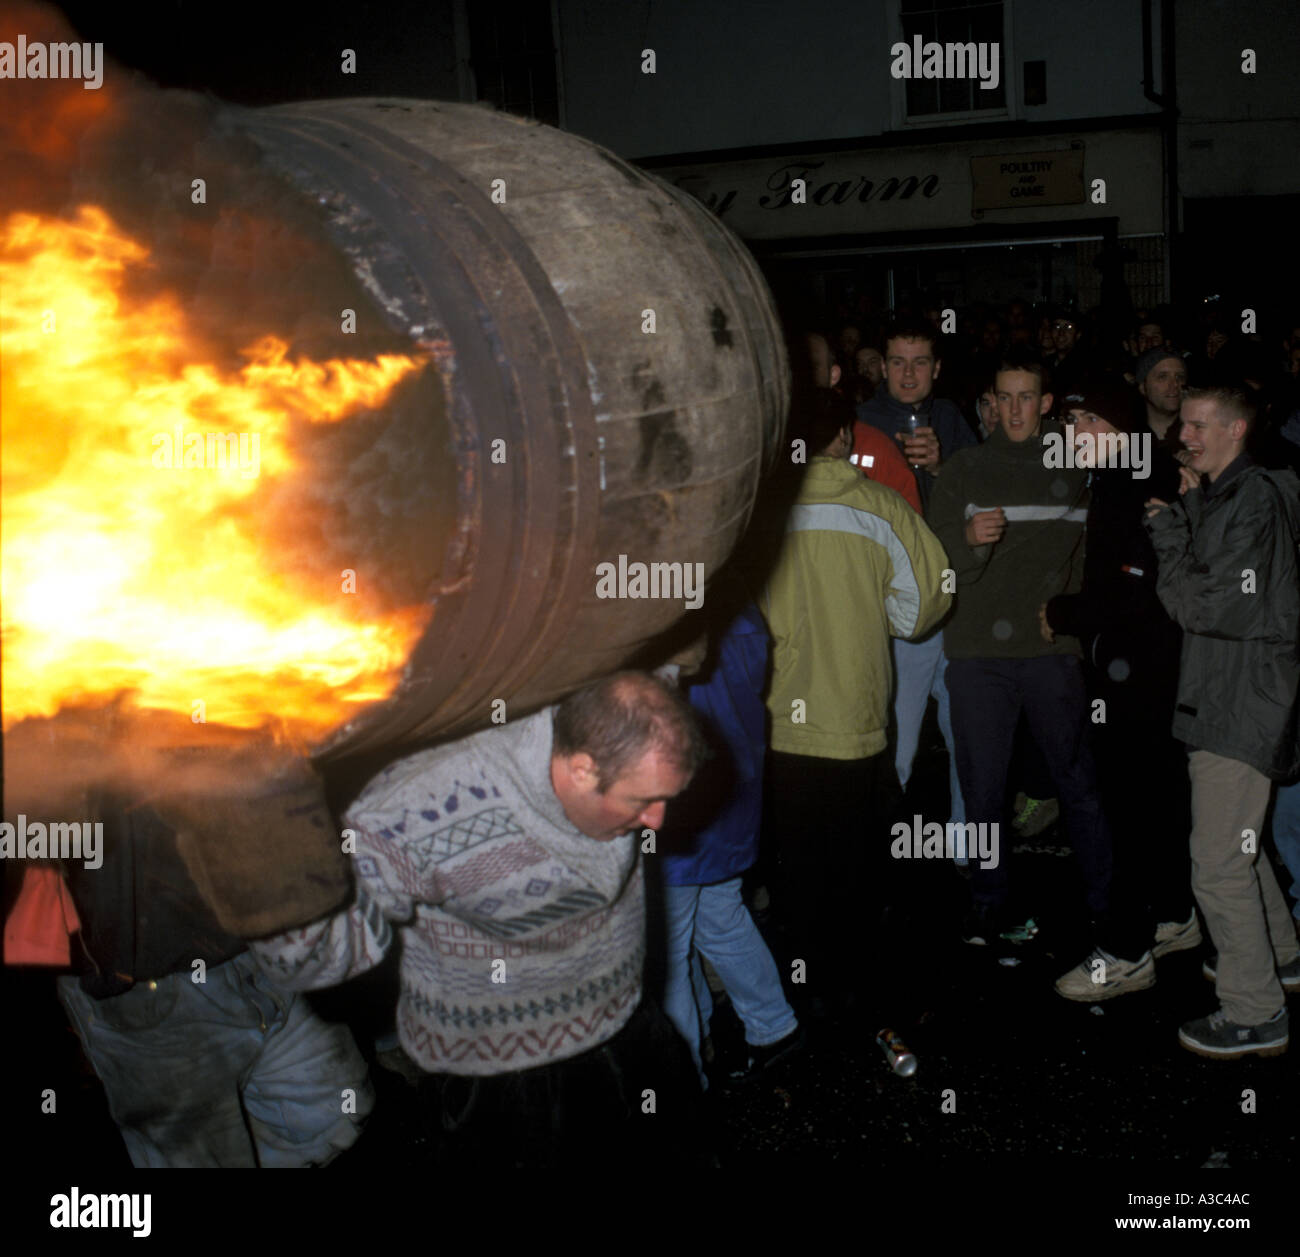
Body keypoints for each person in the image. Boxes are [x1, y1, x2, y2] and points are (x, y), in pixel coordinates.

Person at [252, 672, 710, 1164]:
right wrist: (256, 829)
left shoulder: (615, 724)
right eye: (642, 802)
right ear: (581, 769)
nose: (658, 822)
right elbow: (309, 957)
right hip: (504, 1074)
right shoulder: (425, 805)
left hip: (627, 1028)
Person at [761, 388, 950, 1021]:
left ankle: (806, 993)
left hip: (785, 728)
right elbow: (924, 607)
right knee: (861, 868)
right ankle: (861, 990)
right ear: (844, 437)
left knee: (798, 870)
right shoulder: (881, 507)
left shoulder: (760, 514)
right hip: (860, 724)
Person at [928, 353, 1114, 946]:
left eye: (1025, 397)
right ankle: (989, 900)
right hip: (976, 655)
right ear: (989, 402)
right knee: (983, 788)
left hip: (1049, 650)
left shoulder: (1076, 467)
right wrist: (966, 540)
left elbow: (1094, 554)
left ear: (1046, 403)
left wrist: (1077, 627)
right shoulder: (964, 468)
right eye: (1003, 398)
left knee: (1077, 780)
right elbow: (932, 564)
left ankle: (1106, 904)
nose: (1014, 409)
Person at [1143, 385, 1300, 1058]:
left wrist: (1169, 529)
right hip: (1230, 695)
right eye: (1184, 423)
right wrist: (1193, 506)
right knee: (1239, 844)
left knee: (1215, 864)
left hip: (1242, 700)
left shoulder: (1256, 498)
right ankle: (1284, 961)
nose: (1186, 434)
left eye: (1201, 425)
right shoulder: (1235, 496)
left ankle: (1254, 1010)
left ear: (1237, 428)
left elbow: (1204, 604)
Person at [1043, 379, 1201, 1000]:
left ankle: (1127, 950)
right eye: (1072, 421)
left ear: (1119, 427)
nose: (1073, 434)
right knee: (1158, 798)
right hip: (1148, 671)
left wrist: (1062, 612)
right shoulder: (1128, 474)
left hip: (1139, 676)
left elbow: (1132, 593)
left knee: (1126, 809)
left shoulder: (1135, 481)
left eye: (1086, 420)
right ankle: (1174, 913)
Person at [656, 591, 801, 1089]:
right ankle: (773, 1027)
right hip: (733, 797)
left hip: (682, 808)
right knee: (720, 917)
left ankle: (686, 1074)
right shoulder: (742, 608)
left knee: (667, 951)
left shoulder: (662, 613)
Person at [857, 319, 976, 824]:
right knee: (895, 742)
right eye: (899, 362)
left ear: (937, 368)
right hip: (895, 611)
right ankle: (882, 860)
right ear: (882, 367)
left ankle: (969, 859)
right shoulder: (859, 422)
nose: (909, 374)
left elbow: (986, 503)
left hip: (959, 604)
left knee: (968, 739)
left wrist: (942, 468)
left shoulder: (951, 418)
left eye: (920, 361)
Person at [1135, 347, 1188, 447]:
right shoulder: (1127, 438)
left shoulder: (1199, 436)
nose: (1175, 384)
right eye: (1162, 377)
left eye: (1179, 377)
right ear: (1143, 387)